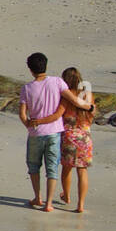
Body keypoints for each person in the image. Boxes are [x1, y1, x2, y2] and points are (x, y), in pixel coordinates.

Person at [18, 52, 94, 212]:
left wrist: (33, 124)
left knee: (44, 167)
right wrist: (90, 107)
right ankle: (68, 204)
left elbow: (54, 114)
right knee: (76, 170)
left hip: (58, 135)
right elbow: (84, 108)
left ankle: (51, 197)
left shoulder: (29, 88)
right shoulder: (80, 91)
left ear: (30, 69)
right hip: (77, 135)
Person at [57, 66, 95, 213]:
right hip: (85, 135)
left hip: (68, 135)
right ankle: (80, 205)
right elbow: (92, 114)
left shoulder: (66, 96)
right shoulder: (87, 94)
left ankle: (66, 196)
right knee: (82, 170)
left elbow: (60, 114)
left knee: (66, 169)